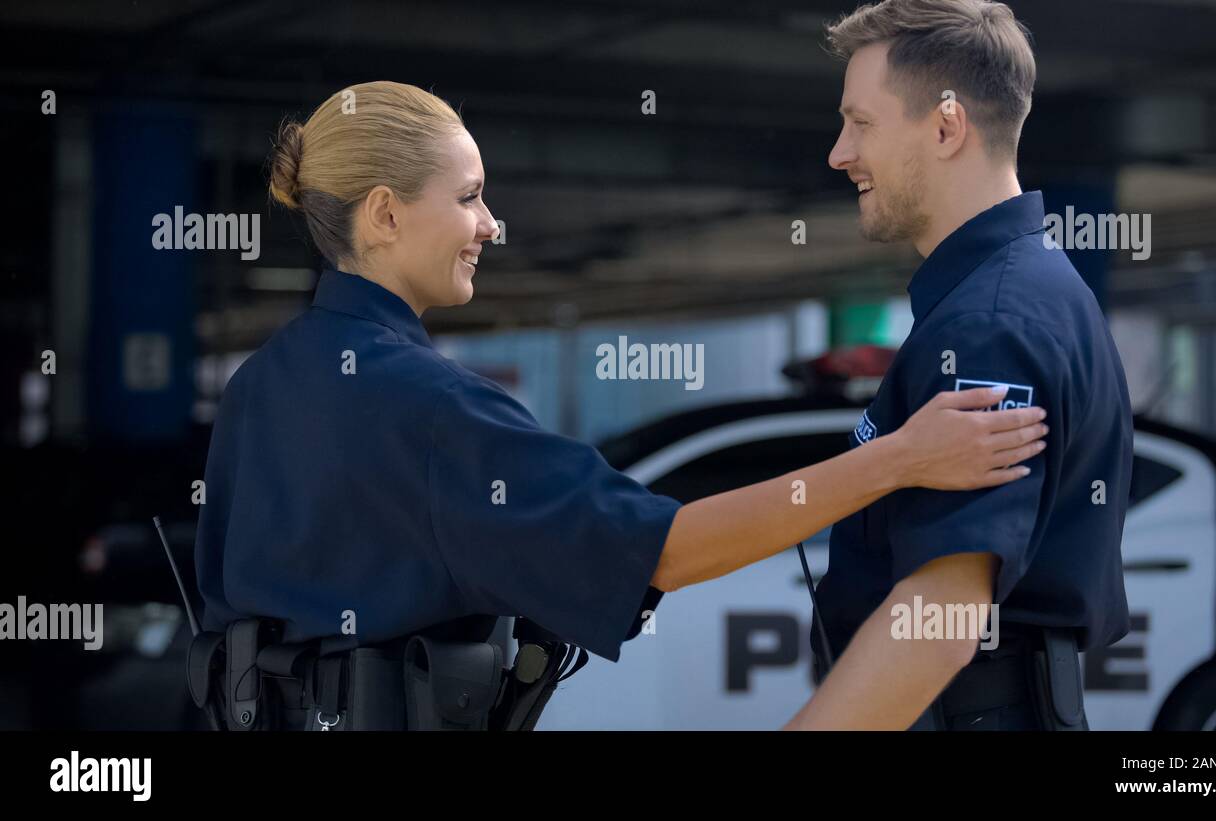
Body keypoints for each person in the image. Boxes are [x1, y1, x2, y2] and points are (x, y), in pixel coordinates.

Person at [193, 80, 1047, 729]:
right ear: (383, 214)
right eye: (467, 197)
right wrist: (895, 458)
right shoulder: (432, 406)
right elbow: (664, 552)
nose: (491, 225)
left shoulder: (258, 388)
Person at [787, 0, 1133, 731]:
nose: (838, 152)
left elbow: (940, 615)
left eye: (861, 123)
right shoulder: (1029, 289)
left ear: (945, 126)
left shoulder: (990, 322)